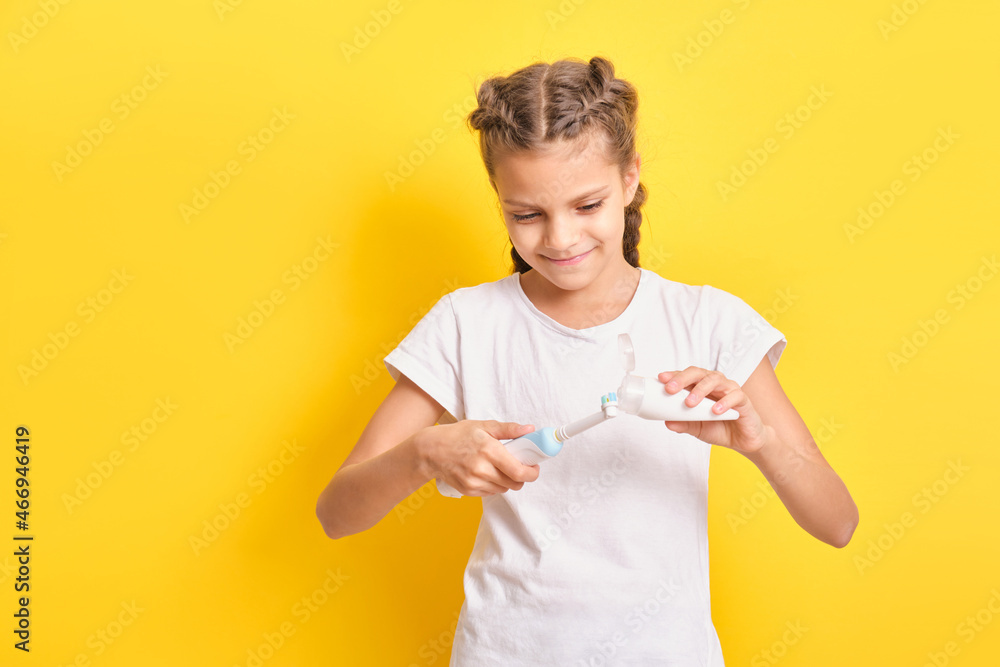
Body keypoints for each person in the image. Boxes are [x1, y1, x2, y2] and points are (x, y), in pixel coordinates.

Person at [316, 55, 858, 665]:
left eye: (587, 205)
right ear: (498, 199)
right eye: (526, 215)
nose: (560, 239)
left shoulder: (709, 321)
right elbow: (338, 513)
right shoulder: (466, 324)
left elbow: (837, 523)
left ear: (630, 180)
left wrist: (758, 442)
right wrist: (423, 454)